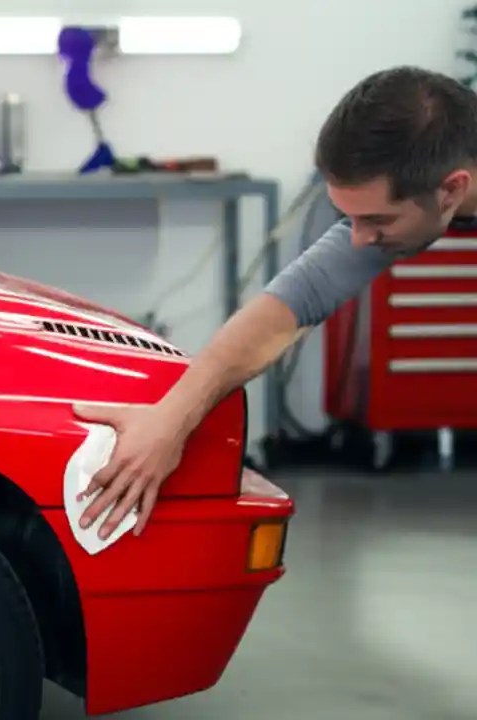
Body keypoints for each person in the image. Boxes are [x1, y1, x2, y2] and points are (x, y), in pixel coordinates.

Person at [73, 65, 477, 539]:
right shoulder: (404, 206)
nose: (360, 240)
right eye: (351, 218)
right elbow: (285, 307)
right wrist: (169, 420)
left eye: (377, 220)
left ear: (452, 188)